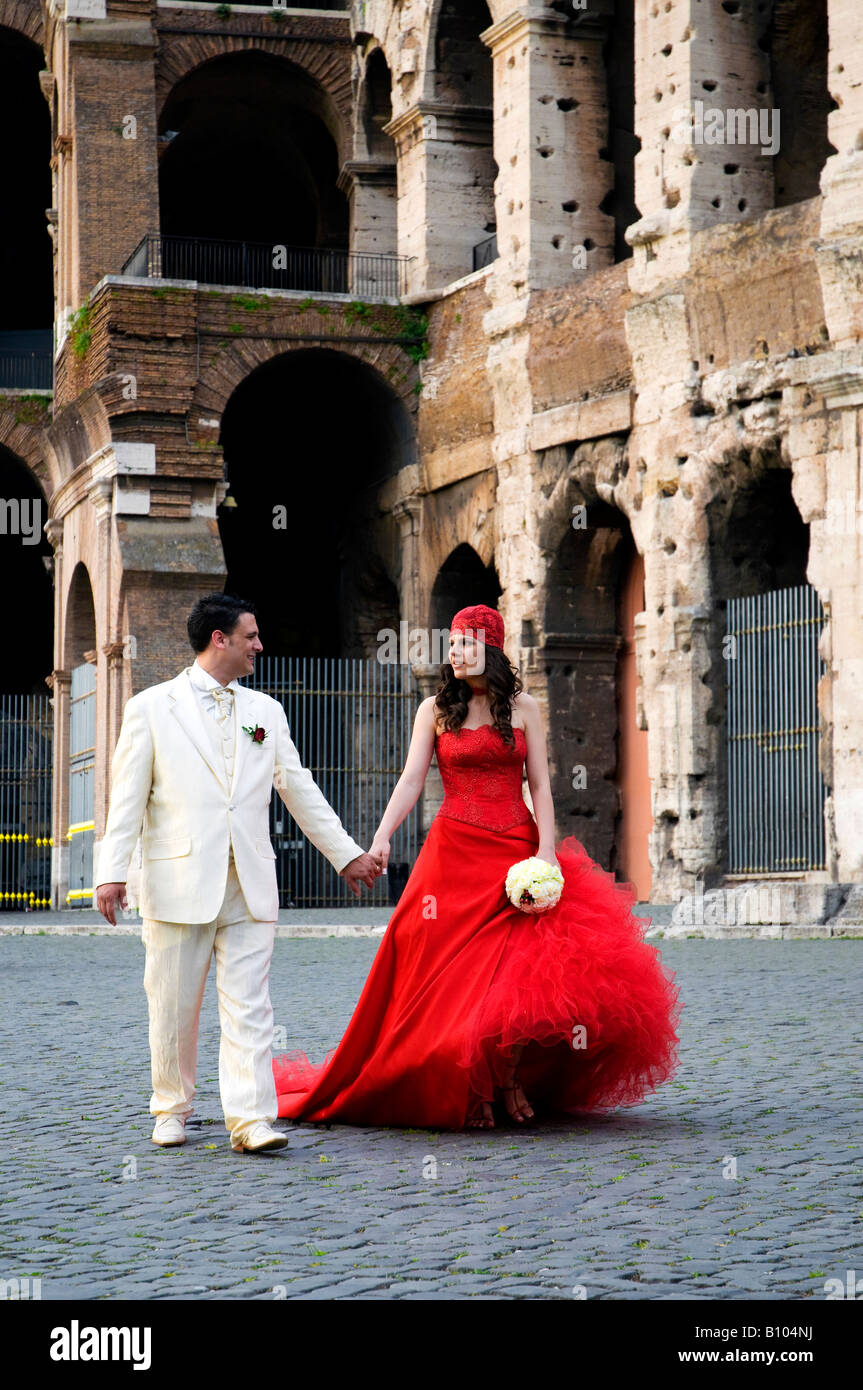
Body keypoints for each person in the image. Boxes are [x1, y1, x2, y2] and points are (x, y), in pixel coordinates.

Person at [272, 603, 682, 1130]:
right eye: (452, 644)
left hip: (515, 850)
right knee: (443, 966)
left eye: (466, 643)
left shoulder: (524, 708)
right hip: (452, 855)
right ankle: (466, 1083)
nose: (455, 653)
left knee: (517, 974)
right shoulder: (434, 710)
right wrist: (379, 838)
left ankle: (506, 1077)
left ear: (490, 648)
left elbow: (539, 785)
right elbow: (411, 781)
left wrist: (548, 852)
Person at [95, 595, 381, 1154]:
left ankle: (250, 1119)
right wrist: (111, 873)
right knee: (173, 1003)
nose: (260, 645)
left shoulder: (266, 712)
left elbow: (299, 789)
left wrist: (346, 854)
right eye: (250, 635)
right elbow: (126, 799)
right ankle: (171, 1108)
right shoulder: (152, 707)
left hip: (250, 879)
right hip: (177, 879)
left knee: (251, 1005)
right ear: (219, 639)